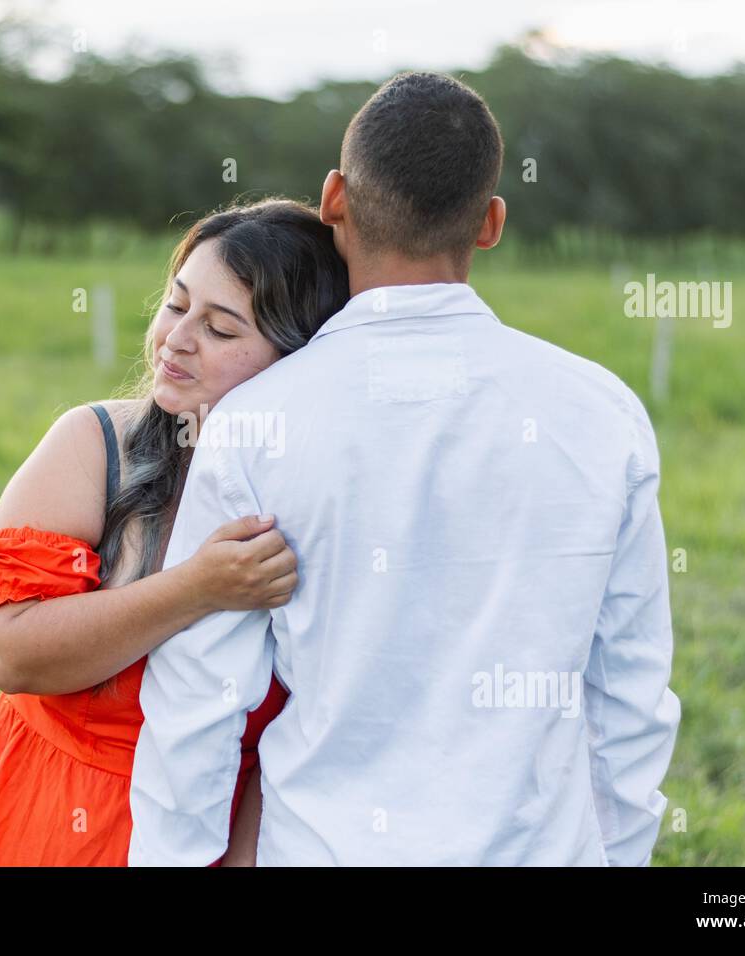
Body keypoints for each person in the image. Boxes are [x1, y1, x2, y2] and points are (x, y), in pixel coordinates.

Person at [128, 71, 683, 866]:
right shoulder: (604, 412)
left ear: (333, 200)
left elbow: (198, 704)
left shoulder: (256, 423)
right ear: (490, 223)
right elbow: (630, 689)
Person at [0, 199, 349, 866]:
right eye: (175, 304)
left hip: (229, 832)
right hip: (55, 820)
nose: (176, 339)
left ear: (298, 361)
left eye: (221, 330)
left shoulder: (319, 499)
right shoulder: (95, 445)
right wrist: (196, 588)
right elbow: (11, 654)